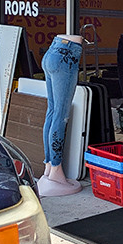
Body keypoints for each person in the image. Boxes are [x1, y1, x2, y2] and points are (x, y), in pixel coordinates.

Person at [38, 34, 83, 196]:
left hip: (53, 50)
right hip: (66, 55)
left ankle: (49, 167)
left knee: (52, 112)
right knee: (60, 116)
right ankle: (56, 169)